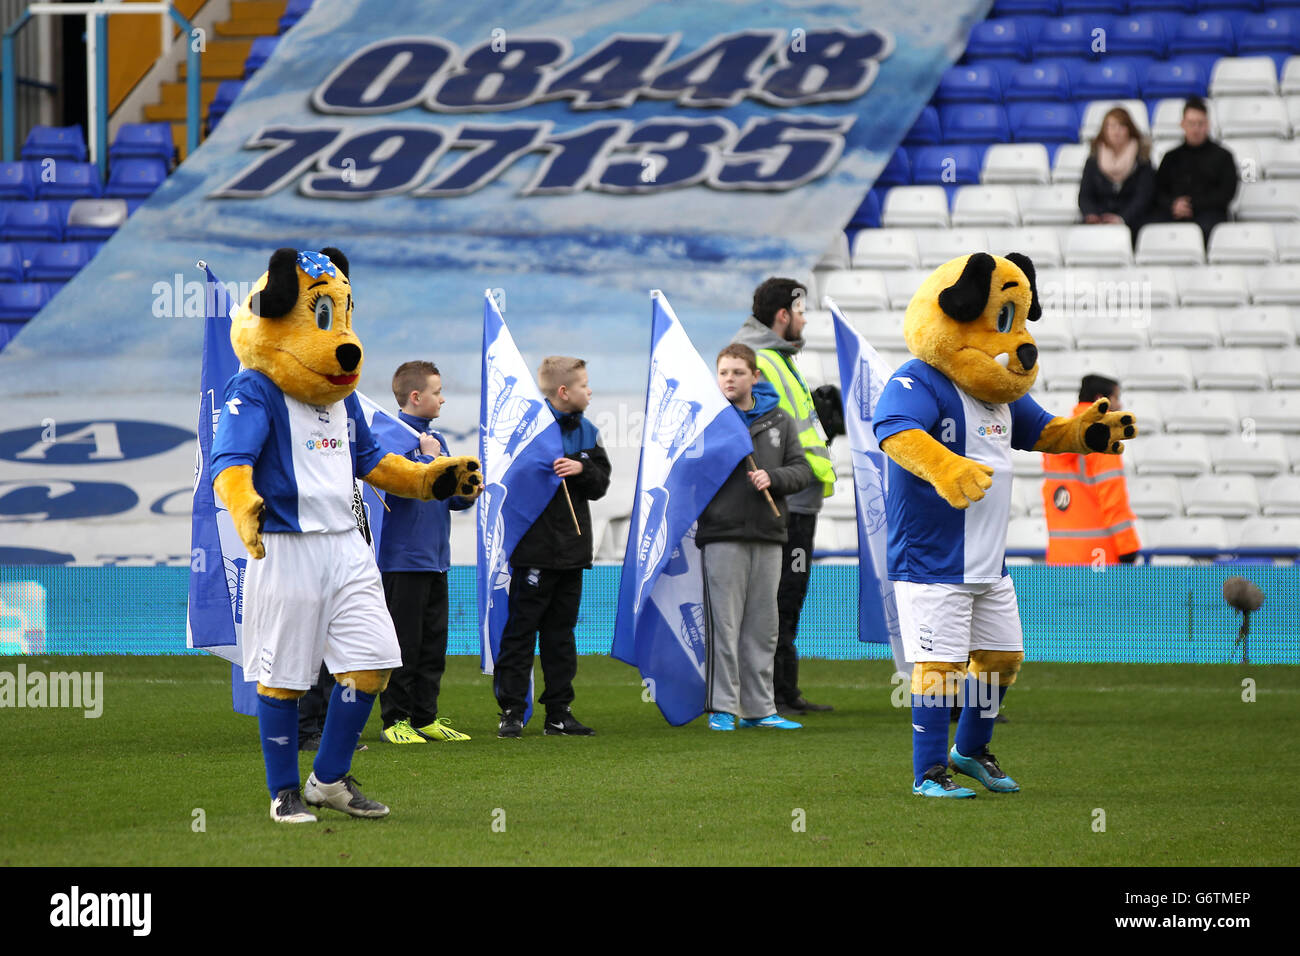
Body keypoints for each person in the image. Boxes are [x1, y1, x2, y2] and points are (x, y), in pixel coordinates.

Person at [731, 278, 837, 718]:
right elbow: (765, 423)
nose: (805, 318)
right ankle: (772, 692)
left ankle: (782, 689)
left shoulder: (775, 358)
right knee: (780, 595)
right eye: (801, 310)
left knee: (788, 594)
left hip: (797, 496)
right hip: (784, 498)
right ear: (782, 315)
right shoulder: (761, 359)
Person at [699, 345, 814, 731]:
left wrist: (773, 478)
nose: (729, 379)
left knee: (763, 626)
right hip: (721, 534)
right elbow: (690, 473)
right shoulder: (710, 421)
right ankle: (722, 708)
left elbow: (802, 471)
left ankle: (760, 709)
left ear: (755, 377)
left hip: (768, 534)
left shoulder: (779, 420)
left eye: (737, 372)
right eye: (723, 372)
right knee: (724, 625)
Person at [495, 356, 610, 738]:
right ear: (564, 392)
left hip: (572, 553)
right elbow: (508, 477)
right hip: (533, 552)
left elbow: (600, 484)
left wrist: (582, 468)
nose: (589, 390)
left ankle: (559, 713)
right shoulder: (529, 430)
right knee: (520, 633)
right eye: (583, 385)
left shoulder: (589, 432)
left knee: (561, 635)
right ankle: (511, 711)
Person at [376, 361, 474, 744]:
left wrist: (465, 492)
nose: (443, 398)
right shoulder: (388, 439)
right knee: (402, 644)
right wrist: (432, 461)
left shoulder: (435, 442)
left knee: (433, 643)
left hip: (436, 558)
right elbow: (399, 486)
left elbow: (446, 499)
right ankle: (394, 721)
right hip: (402, 561)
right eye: (437, 392)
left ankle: (425, 716)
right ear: (416, 397)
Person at [1042, 375, 1140, 565]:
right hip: (1099, 558)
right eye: (1116, 398)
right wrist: (1128, 548)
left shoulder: (1057, 437)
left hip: (1060, 558)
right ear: (1100, 401)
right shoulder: (1103, 440)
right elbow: (1113, 499)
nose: (1120, 405)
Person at [1154, 96, 1238, 245]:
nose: (1196, 129)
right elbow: (1158, 190)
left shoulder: (1223, 156)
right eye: (1191, 123)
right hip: (1174, 214)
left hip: (1210, 215)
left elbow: (1227, 193)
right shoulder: (1170, 157)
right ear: (1183, 124)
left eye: (1201, 123)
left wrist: (1193, 205)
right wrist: (1173, 204)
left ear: (1208, 125)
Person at [1078, 106, 1154, 244]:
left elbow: (1143, 197)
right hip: (1099, 220)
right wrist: (1091, 215)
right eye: (1111, 126)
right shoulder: (1093, 160)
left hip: (1132, 223)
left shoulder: (1142, 160)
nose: (1116, 131)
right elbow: (1085, 194)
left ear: (1129, 129)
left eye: (1121, 126)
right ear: (1104, 130)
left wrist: (1121, 218)